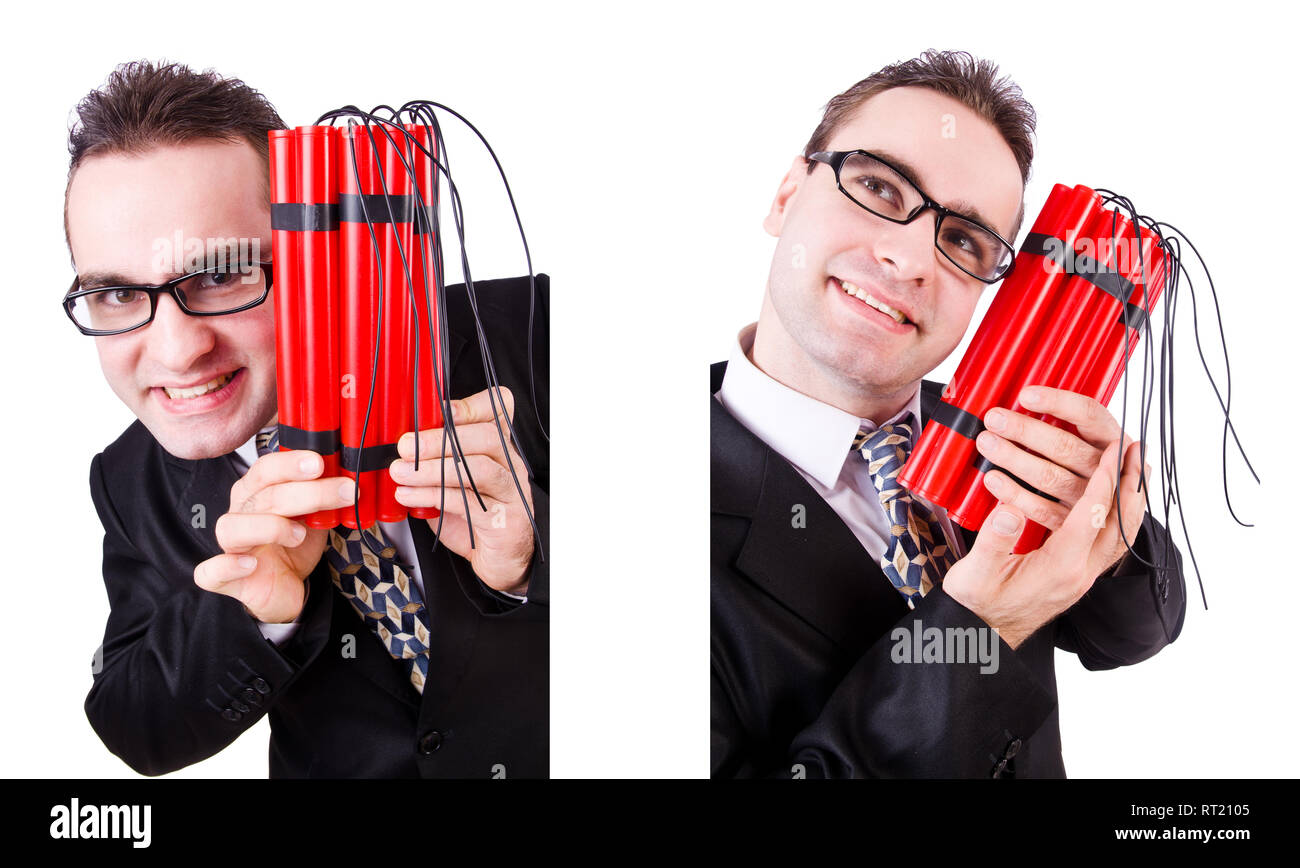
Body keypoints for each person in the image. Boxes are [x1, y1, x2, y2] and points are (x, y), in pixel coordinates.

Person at [65, 61, 548, 778]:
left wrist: (533, 565)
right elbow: (134, 725)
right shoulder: (129, 479)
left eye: (222, 275)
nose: (177, 351)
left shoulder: (533, 333)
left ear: (312, 247)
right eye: (115, 295)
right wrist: (252, 614)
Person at [711, 50, 1186, 778]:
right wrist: (982, 632)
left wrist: (1109, 530)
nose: (909, 259)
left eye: (963, 239)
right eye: (878, 186)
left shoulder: (998, 436)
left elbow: (1131, 635)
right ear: (785, 196)